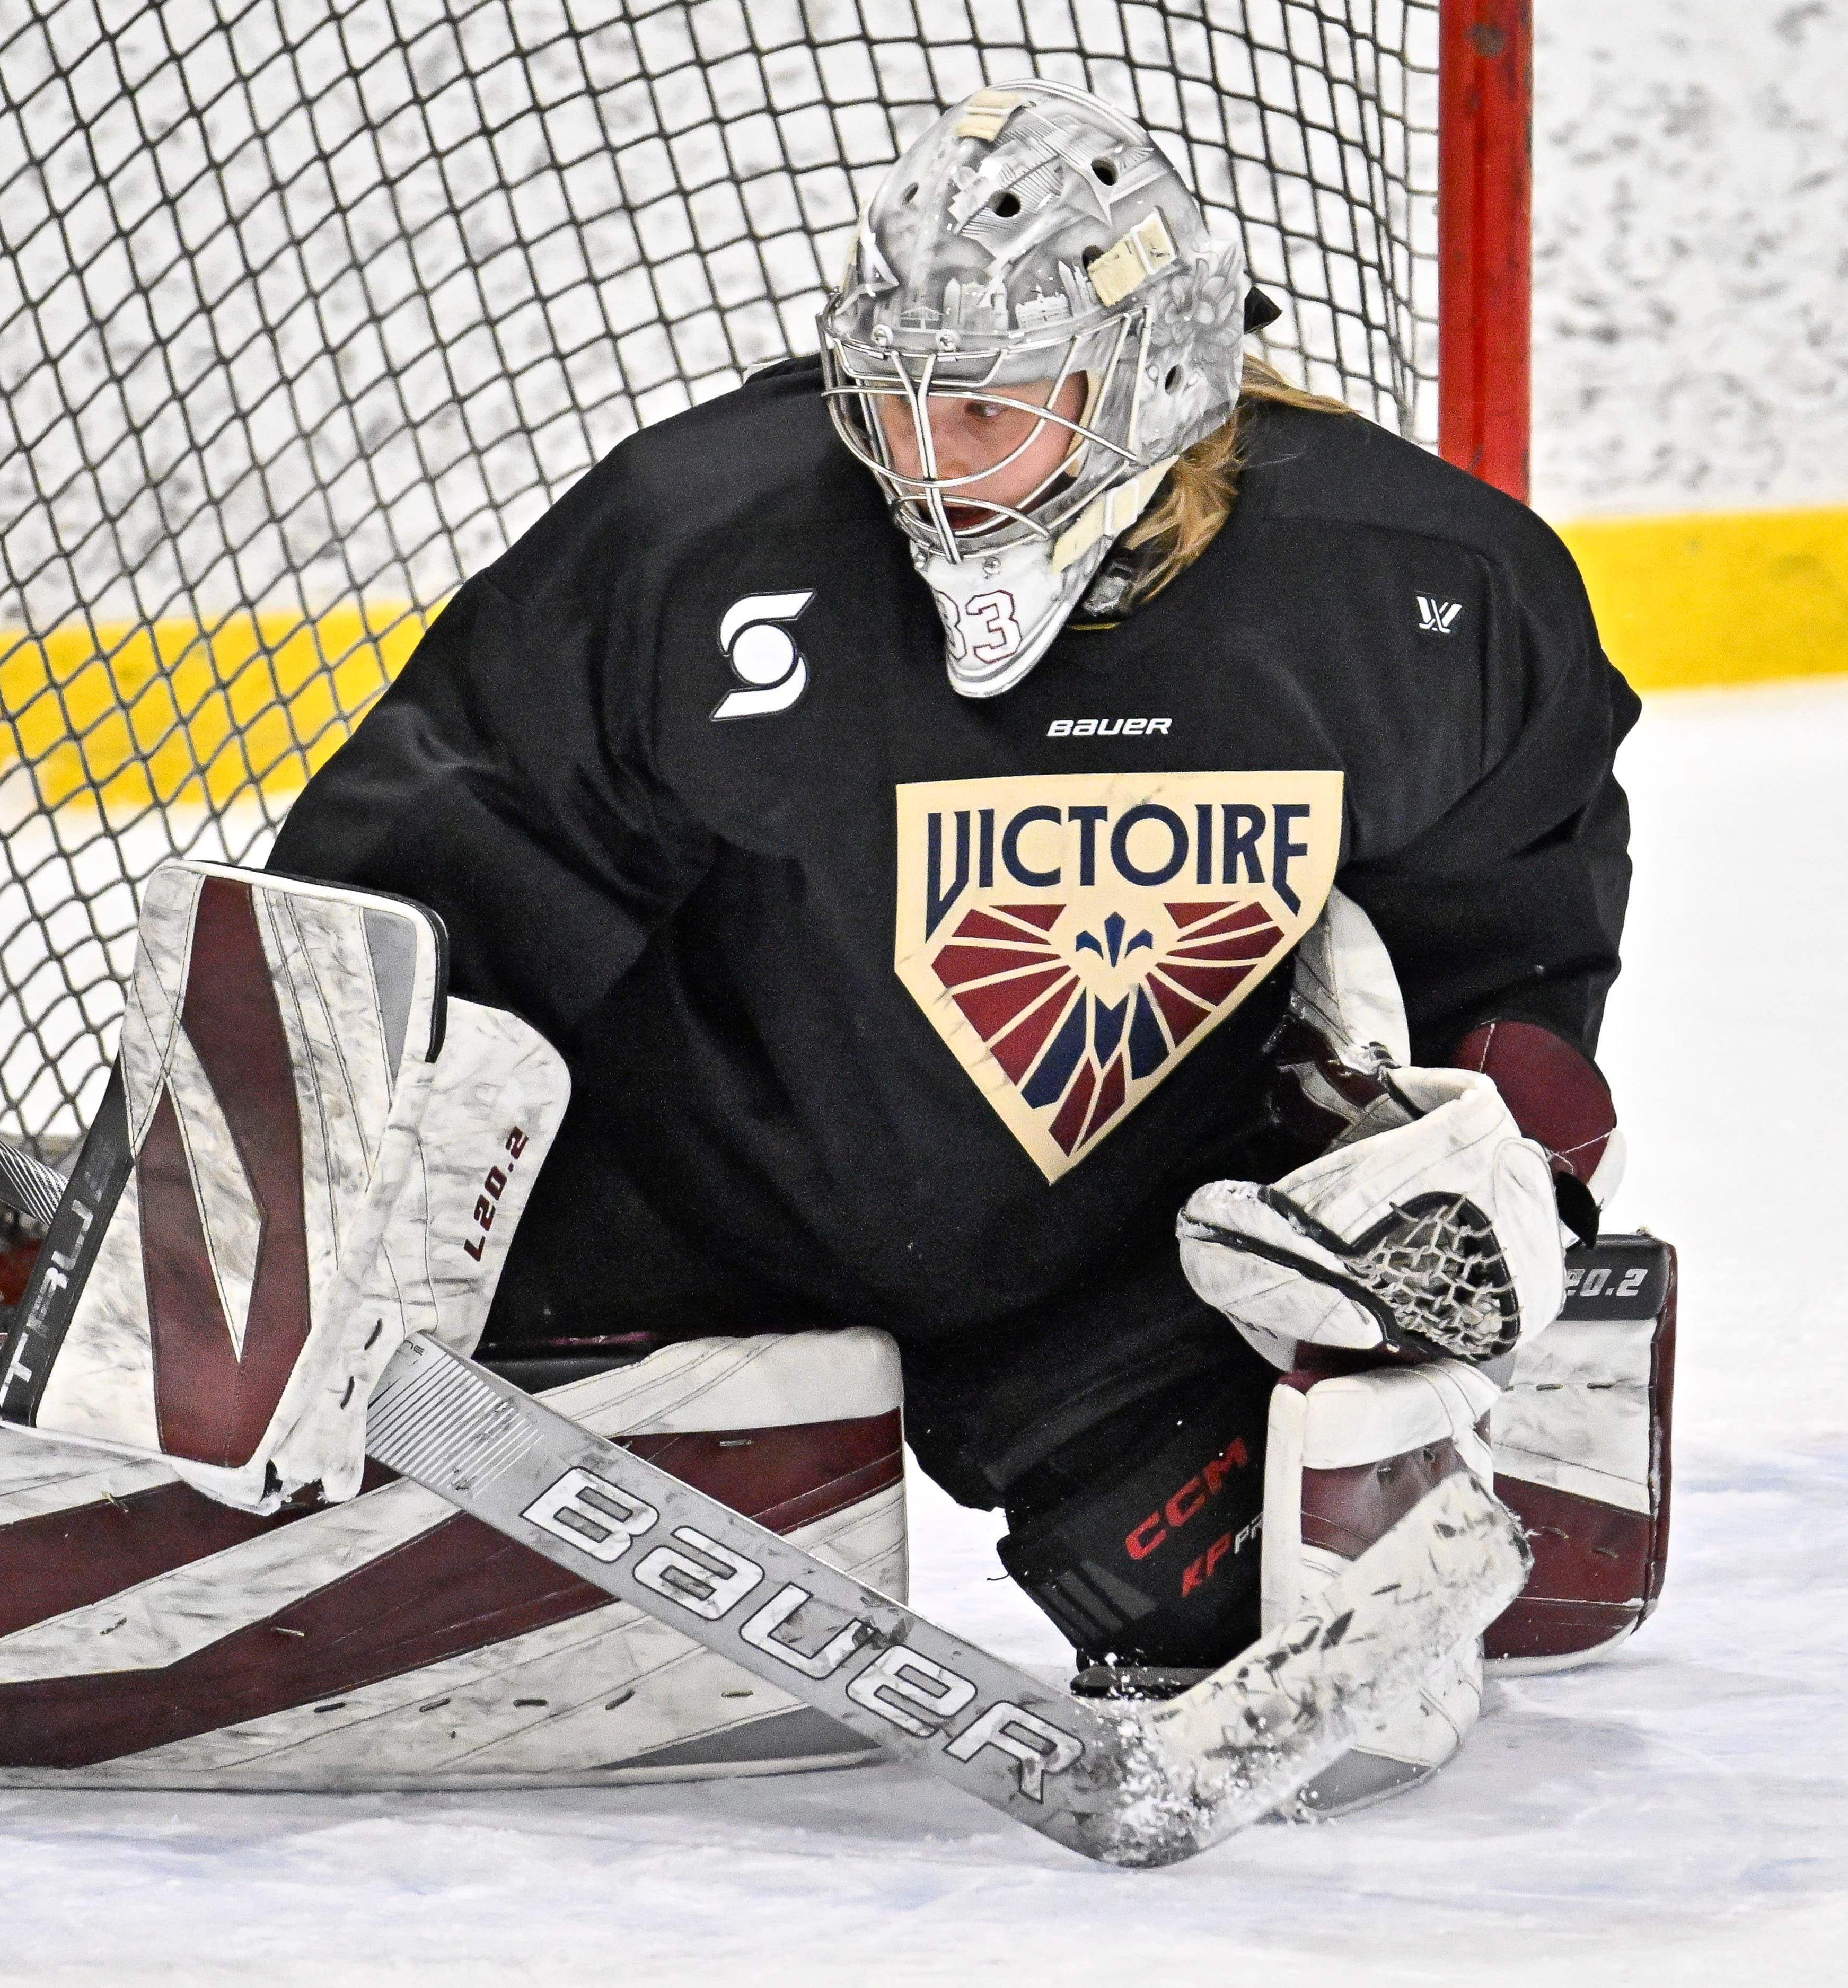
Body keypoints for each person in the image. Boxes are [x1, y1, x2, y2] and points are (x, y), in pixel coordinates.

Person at [269, 79, 1635, 1701]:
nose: (923, 461)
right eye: (896, 401)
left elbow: (1507, 936)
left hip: (1117, 1255)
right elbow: (433, 865)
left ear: (1151, 381)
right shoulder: (705, 544)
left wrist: (1489, 1158)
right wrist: (310, 1197)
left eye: (986, 411)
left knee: (1246, 1624)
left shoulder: (1427, 595)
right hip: (694, 1207)